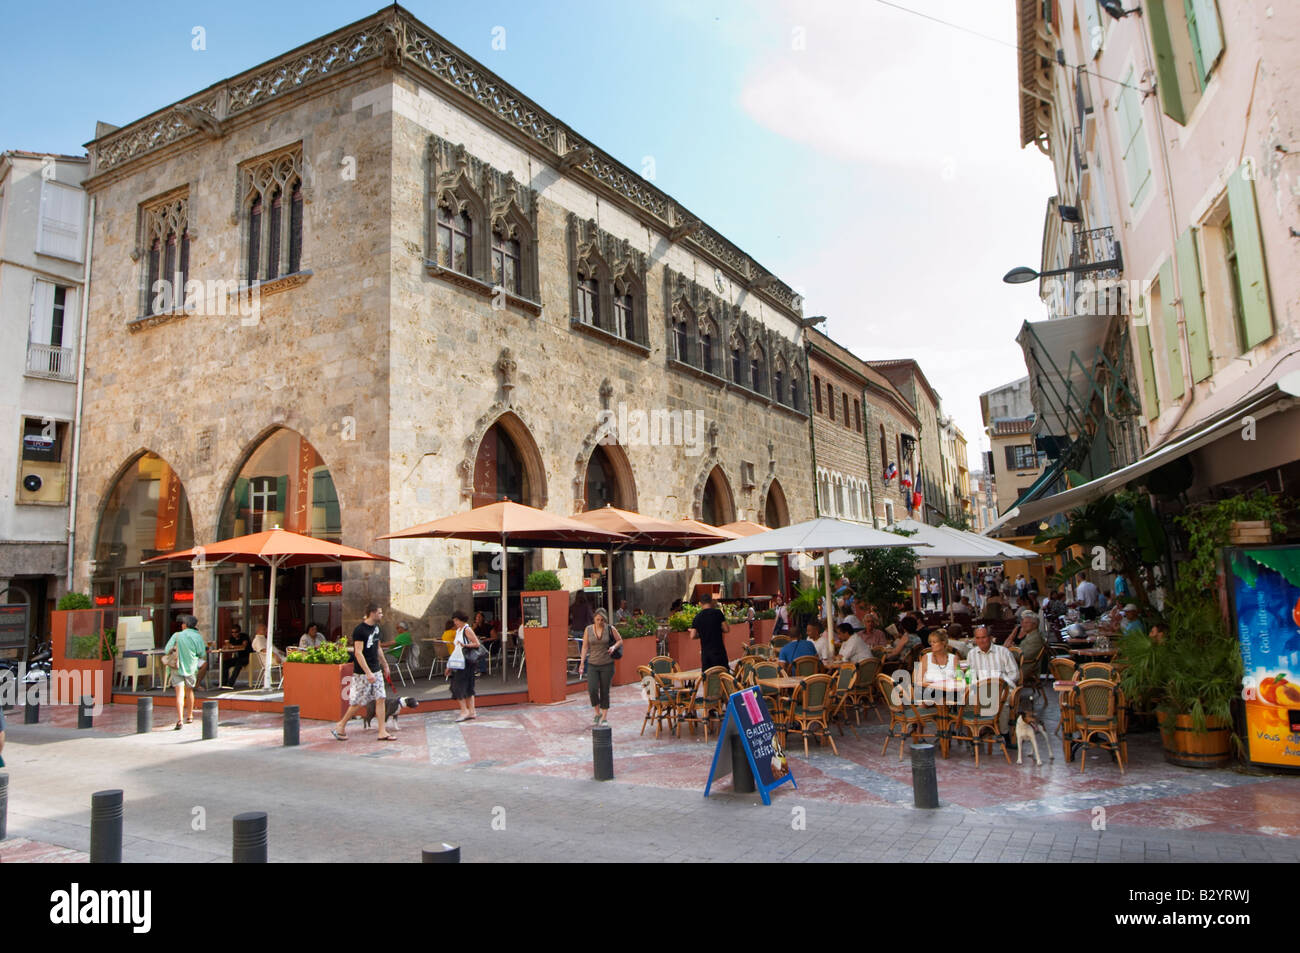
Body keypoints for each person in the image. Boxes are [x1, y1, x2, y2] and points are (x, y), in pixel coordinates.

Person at [332, 604, 394, 741]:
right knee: (358, 702)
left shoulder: (377, 629)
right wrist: (368, 672)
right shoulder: (360, 630)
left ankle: (382, 731)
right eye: (380, 612)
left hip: (376, 669)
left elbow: (378, 648)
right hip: (363, 672)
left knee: (381, 698)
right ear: (372, 613)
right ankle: (340, 725)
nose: (382, 615)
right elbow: (358, 653)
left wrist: (385, 665)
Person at [967, 625, 1019, 737]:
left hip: (1002, 688)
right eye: (978, 638)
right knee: (967, 699)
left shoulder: (1003, 652)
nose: (981, 641)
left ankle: (1004, 734)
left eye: (984, 637)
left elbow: (1014, 674)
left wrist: (1002, 685)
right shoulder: (972, 654)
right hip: (981, 688)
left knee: (1001, 701)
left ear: (990, 638)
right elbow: (971, 675)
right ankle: (978, 731)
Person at [579, 608, 623, 726]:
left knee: (605, 690)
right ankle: (597, 712)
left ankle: (604, 717)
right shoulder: (588, 630)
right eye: (597, 619)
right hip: (593, 664)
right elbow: (584, 647)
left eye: (602, 620)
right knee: (592, 689)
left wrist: (614, 647)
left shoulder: (610, 628)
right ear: (594, 619)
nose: (599, 622)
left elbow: (620, 640)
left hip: (607, 664)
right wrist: (582, 662)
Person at [164, 614, 208, 730]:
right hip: (191, 668)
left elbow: (166, 649)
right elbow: (202, 653)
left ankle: (179, 720)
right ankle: (190, 716)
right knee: (189, 692)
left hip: (176, 667)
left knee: (179, 694)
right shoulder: (197, 637)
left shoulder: (177, 635)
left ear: (185, 625)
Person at [445, 609, 481, 722]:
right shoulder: (459, 630)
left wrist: (465, 645)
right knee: (467, 686)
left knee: (458, 686)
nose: (455, 622)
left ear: (461, 620)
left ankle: (464, 710)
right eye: (454, 620)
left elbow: (477, 643)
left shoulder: (467, 629)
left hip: (466, 662)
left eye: (456, 620)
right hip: (460, 661)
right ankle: (471, 711)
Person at [689, 593, 729, 672]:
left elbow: (692, 636)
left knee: (708, 677)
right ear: (711, 602)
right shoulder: (718, 613)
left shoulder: (697, 617)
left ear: (700, 603)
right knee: (723, 675)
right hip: (719, 651)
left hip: (706, 654)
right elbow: (726, 629)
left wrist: (702, 634)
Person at [1005, 611, 1045, 683]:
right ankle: (990, 692)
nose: (1023, 625)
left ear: (1035, 624)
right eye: (1023, 622)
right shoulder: (1030, 635)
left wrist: (1010, 650)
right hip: (1018, 665)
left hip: (1024, 667)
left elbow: (1023, 656)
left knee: (992, 671)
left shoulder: (1035, 638)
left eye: (1026, 623)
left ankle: (991, 692)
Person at [222, 622, 252, 687]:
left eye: (236, 632)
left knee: (238, 663)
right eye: (232, 632)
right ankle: (223, 682)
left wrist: (233, 647)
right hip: (238, 657)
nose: (234, 634)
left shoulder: (244, 636)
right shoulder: (232, 638)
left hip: (248, 657)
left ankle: (230, 683)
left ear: (239, 632)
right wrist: (226, 646)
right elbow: (228, 646)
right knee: (225, 663)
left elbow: (243, 646)